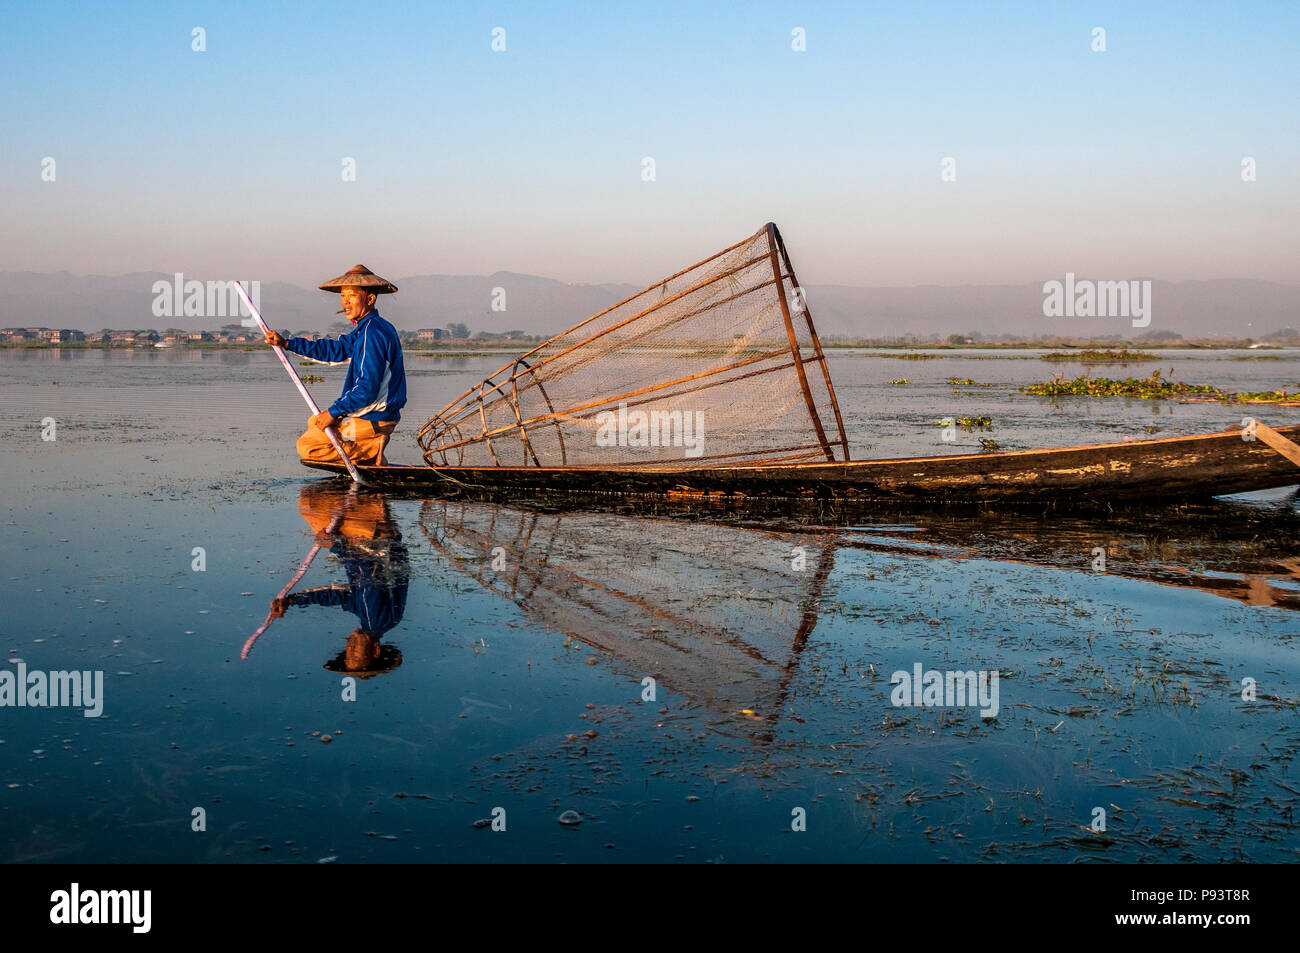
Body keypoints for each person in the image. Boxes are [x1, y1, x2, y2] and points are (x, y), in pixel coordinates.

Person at [264, 264, 406, 466]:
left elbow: (367, 388)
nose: (345, 301)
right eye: (343, 296)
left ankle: (371, 449)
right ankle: (367, 453)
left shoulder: (372, 333)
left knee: (308, 446)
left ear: (370, 299)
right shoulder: (366, 330)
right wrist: (287, 343)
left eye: (352, 295)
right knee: (315, 422)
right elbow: (335, 351)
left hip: (372, 419)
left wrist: (333, 412)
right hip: (372, 416)